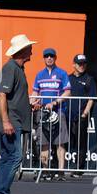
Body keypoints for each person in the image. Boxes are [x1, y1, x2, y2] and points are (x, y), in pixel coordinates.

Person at [0, 33, 37, 194]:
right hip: (11, 122)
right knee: (14, 158)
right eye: (29, 48)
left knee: (7, 159)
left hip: (13, 120)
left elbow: (11, 97)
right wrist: (6, 121)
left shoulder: (17, 69)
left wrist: (29, 105)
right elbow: (1, 95)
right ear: (23, 51)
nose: (32, 51)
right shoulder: (10, 68)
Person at [32, 48, 70, 177]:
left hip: (59, 111)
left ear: (55, 58)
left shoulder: (62, 73)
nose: (49, 58)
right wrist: (33, 101)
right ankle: (45, 170)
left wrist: (55, 102)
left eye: (51, 56)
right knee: (43, 143)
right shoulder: (39, 75)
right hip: (43, 112)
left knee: (60, 142)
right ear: (43, 58)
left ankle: (60, 171)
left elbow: (68, 92)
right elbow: (35, 93)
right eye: (46, 56)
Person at [66, 53, 97, 174]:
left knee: (81, 142)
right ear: (74, 65)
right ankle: (60, 167)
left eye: (84, 64)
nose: (82, 66)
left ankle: (79, 168)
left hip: (81, 116)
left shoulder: (89, 79)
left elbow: (92, 98)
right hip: (68, 114)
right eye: (79, 64)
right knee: (64, 140)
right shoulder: (68, 78)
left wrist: (85, 114)